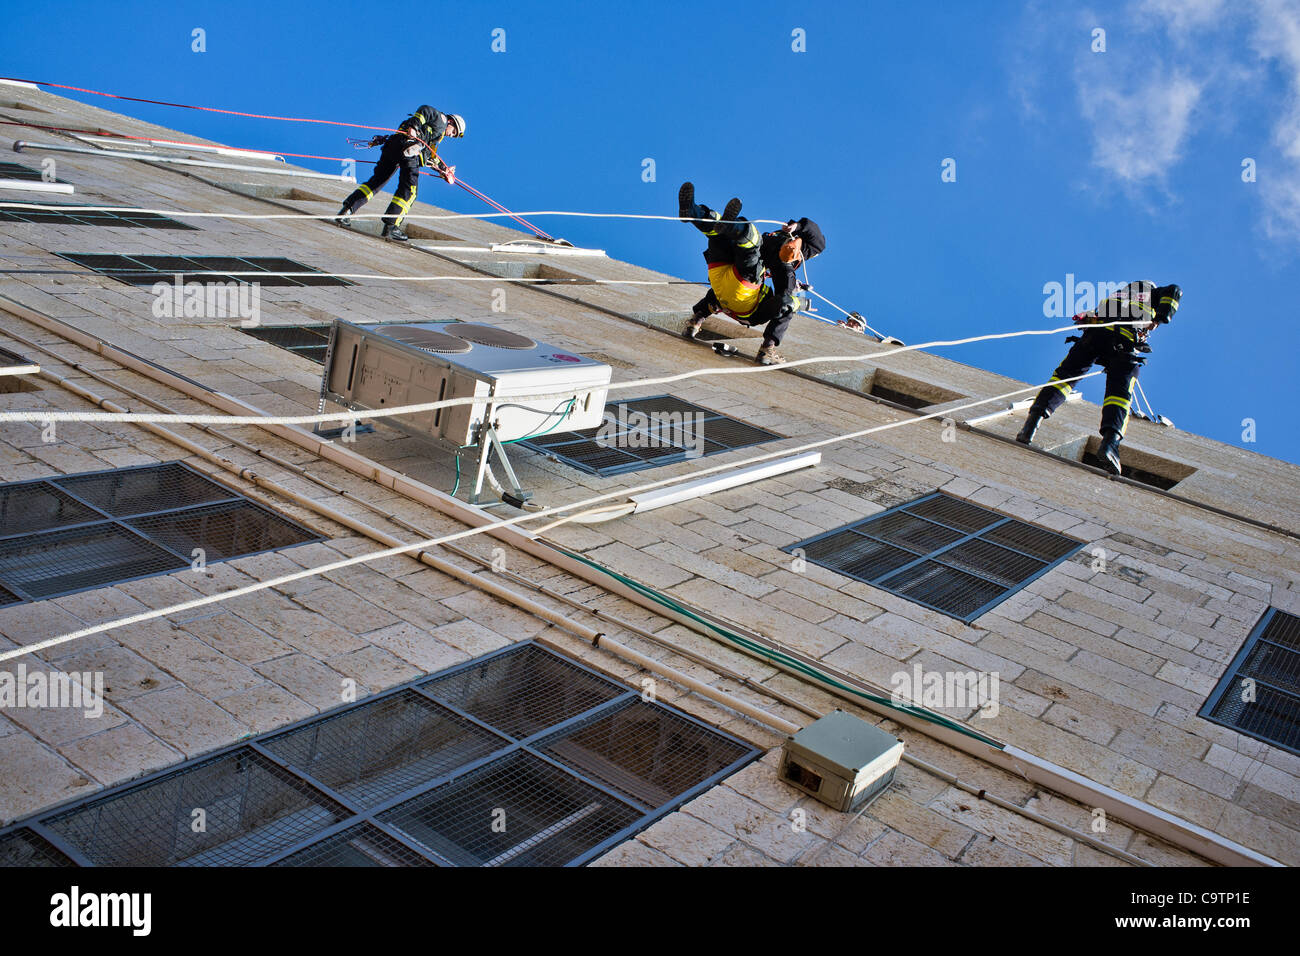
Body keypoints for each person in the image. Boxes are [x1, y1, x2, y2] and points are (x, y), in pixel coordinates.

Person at [1016, 280, 1182, 474]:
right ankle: (1110, 445)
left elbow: (1087, 316)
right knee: (1120, 392)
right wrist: (1162, 317)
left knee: (1064, 378)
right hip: (1123, 339)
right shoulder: (1150, 294)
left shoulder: (1116, 296)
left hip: (1093, 337)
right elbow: (1174, 290)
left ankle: (1030, 425)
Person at [678, 182, 825, 365]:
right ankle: (694, 213)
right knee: (721, 233)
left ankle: (768, 349)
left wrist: (801, 303)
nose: (785, 243)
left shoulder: (786, 269)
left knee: (750, 239)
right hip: (724, 282)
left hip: (744, 299)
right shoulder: (773, 245)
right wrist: (796, 228)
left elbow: (819, 243)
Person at [334, 106, 465, 241]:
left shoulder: (436, 133)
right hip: (409, 151)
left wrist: (443, 169)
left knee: (376, 182)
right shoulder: (441, 120)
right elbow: (425, 111)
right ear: (451, 121)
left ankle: (346, 212)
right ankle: (391, 227)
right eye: (453, 131)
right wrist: (414, 127)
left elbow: (429, 156)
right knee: (410, 190)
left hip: (393, 146)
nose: (451, 135)